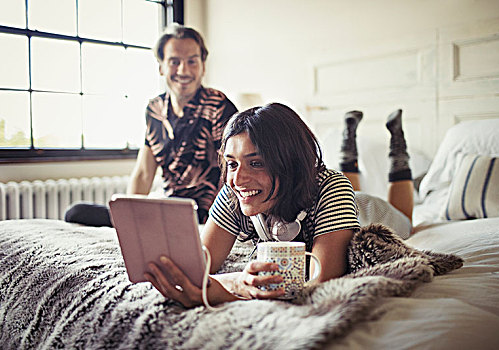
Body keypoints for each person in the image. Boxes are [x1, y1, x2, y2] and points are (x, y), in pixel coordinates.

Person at [145, 102, 363, 307]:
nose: (238, 180)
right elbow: (197, 270)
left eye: (256, 163)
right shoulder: (235, 193)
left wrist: (226, 292)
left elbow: (320, 285)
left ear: (290, 163)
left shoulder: (330, 187)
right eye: (232, 164)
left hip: (372, 208)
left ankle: (377, 154)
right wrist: (237, 283)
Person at [65, 24, 238, 226]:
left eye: (192, 61)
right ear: (161, 67)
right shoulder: (154, 110)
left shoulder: (217, 105)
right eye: (174, 62)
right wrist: (127, 217)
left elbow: (231, 170)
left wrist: (219, 223)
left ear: (203, 66)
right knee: (75, 212)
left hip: (206, 214)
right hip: (167, 206)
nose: (184, 70)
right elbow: (144, 173)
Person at [340, 109, 414, 239]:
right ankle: (398, 146)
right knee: (405, 222)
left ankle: (348, 145)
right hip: (364, 204)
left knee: (348, 203)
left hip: (356, 204)